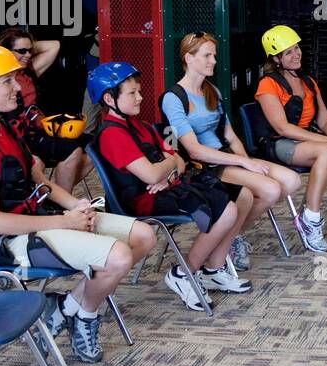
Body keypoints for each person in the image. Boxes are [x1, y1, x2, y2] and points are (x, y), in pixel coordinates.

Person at [0, 44, 156, 364]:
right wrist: (64, 222)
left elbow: (37, 178)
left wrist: (76, 204)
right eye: (7, 82)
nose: (18, 88)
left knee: (144, 237)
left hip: (37, 220)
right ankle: (85, 316)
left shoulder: (4, 127)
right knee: (119, 257)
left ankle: (67, 308)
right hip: (2, 241)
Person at [89, 61, 252, 311]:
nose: (141, 97)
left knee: (242, 197)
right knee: (227, 210)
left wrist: (167, 168)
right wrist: (166, 168)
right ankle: (183, 273)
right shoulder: (112, 134)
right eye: (132, 93)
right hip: (142, 201)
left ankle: (213, 269)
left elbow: (178, 155)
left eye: (139, 91)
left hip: (168, 186)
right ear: (109, 99)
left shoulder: (143, 125)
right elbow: (153, 173)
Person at [160, 32, 300, 268]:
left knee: (292, 180)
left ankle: (232, 234)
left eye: (213, 55)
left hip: (225, 157)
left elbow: (230, 136)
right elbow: (193, 151)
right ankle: (230, 239)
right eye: (207, 55)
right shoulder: (173, 98)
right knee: (270, 189)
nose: (214, 61)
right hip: (202, 167)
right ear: (189, 58)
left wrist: (247, 160)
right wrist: (244, 164)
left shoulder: (211, 91)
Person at [253, 25, 327, 252]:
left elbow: (325, 121)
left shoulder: (308, 82)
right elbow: (283, 128)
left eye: (297, 48)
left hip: (307, 141)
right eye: (288, 52)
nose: (296, 54)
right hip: (278, 143)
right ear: (276, 58)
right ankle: (309, 219)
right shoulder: (268, 84)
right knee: (326, 151)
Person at [0, 29, 94, 194]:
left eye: (30, 50)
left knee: (96, 145)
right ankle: (59, 200)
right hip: (21, 135)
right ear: (6, 51)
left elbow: (54, 46)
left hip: (41, 130)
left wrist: (25, 47)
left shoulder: (29, 70)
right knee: (71, 150)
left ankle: (54, 195)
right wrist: (4, 52)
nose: (27, 54)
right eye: (22, 51)